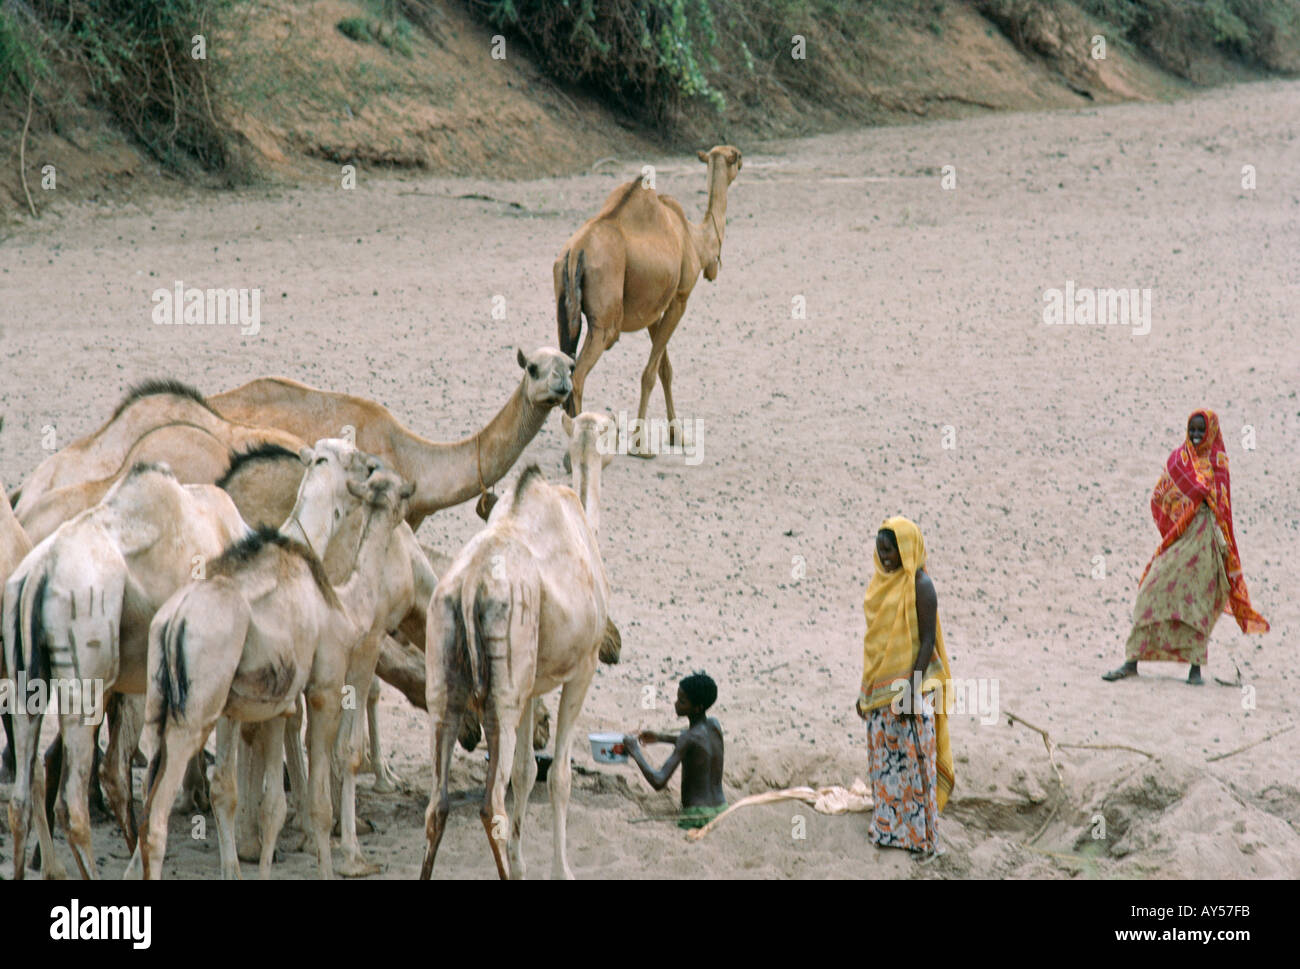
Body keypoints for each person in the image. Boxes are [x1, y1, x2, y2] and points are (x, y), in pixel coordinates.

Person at [1104, 410, 1268, 685]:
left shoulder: (1218, 463)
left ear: (1211, 432)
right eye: (1191, 429)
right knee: (1150, 590)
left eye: (1200, 431)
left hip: (1206, 540)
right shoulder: (1180, 459)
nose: (1195, 435)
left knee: (1197, 604)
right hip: (1181, 536)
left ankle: (1195, 670)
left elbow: (1223, 507)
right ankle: (1132, 661)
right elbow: (1161, 495)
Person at [856, 517, 954, 855]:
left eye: (891, 552)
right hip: (882, 695)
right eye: (880, 551)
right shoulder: (880, 585)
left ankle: (920, 839)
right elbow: (875, 645)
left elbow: (927, 642)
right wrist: (865, 690)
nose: (885, 558)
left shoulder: (920, 585)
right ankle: (888, 832)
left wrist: (911, 691)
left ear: (907, 549)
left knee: (915, 767)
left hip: (912, 691)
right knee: (886, 768)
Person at [622, 672, 726, 829]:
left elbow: (659, 781)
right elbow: (699, 745)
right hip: (722, 809)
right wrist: (661, 737)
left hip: (696, 816)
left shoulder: (687, 738)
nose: (676, 704)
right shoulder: (714, 725)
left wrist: (635, 751)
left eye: (682, 701)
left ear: (697, 708)